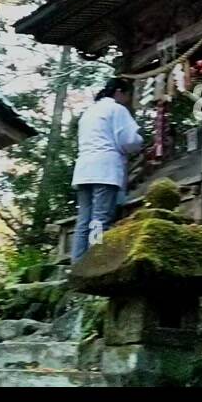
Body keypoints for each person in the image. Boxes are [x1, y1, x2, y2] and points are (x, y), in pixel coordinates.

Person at [70, 77, 143, 264]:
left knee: (84, 219)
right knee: (100, 219)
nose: (127, 100)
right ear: (119, 92)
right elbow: (129, 140)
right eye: (127, 95)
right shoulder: (117, 109)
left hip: (84, 169)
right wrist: (139, 145)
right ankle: (95, 262)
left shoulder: (89, 112)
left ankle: (77, 263)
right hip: (105, 168)